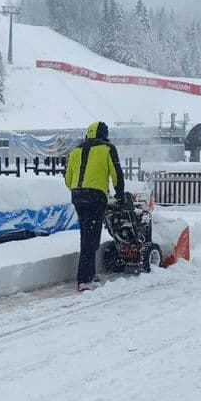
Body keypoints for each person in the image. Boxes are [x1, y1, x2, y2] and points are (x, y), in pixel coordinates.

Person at [64, 120, 125, 291]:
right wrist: (119, 196)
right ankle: (84, 280)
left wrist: (79, 190)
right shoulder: (107, 148)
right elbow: (117, 174)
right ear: (104, 134)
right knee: (91, 238)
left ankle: (89, 274)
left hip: (77, 195)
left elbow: (68, 177)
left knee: (86, 235)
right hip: (95, 196)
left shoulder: (75, 150)